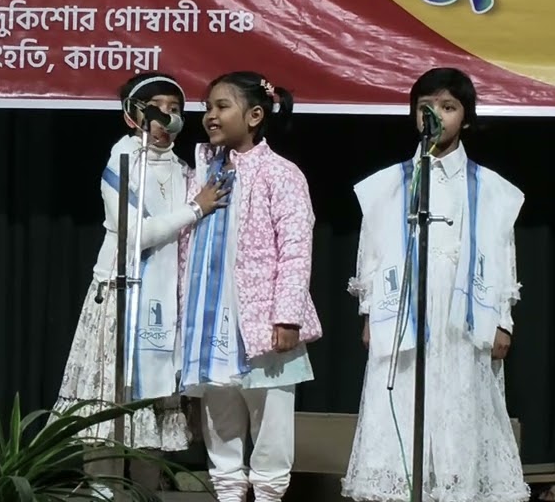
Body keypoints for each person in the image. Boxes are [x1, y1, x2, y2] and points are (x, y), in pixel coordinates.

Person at [341, 68, 528, 502]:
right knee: (406, 404)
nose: (437, 116)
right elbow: (373, 250)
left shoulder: (491, 188)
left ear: (465, 117)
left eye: (448, 107)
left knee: (458, 406)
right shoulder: (390, 183)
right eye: (427, 107)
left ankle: (455, 489)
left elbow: (502, 254)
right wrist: (369, 312)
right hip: (406, 309)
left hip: (462, 316)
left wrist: (504, 319)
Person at [55, 73, 227, 499]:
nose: (168, 116)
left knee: (152, 402)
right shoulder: (123, 161)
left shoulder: (186, 168)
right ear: (134, 115)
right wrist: (195, 209)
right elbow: (136, 233)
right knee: (110, 400)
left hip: (166, 297)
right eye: (158, 108)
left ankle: (146, 491)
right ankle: (102, 489)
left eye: (175, 108)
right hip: (120, 294)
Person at [176, 71, 322, 502]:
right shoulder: (202, 171)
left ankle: (270, 495)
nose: (210, 116)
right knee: (220, 425)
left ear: (255, 115)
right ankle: (226, 492)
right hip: (210, 319)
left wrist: (287, 315)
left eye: (222, 106)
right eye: (207, 108)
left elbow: (296, 248)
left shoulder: (281, 174)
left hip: (262, 323)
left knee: (271, 424)